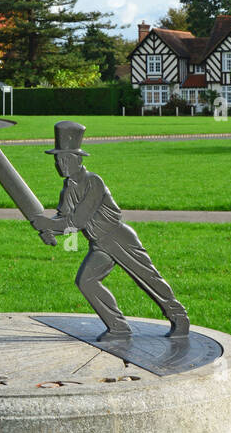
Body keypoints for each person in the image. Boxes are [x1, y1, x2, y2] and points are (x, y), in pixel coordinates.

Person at [31, 120, 190, 338]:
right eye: (58, 160)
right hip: (100, 245)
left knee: (147, 279)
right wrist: (50, 231)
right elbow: (66, 220)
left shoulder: (93, 182)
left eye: (65, 159)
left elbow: (77, 221)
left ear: (78, 160)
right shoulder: (68, 189)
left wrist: (48, 224)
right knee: (86, 281)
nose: (60, 165)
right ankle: (118, 327)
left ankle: (179, 318)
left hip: (118, 238)